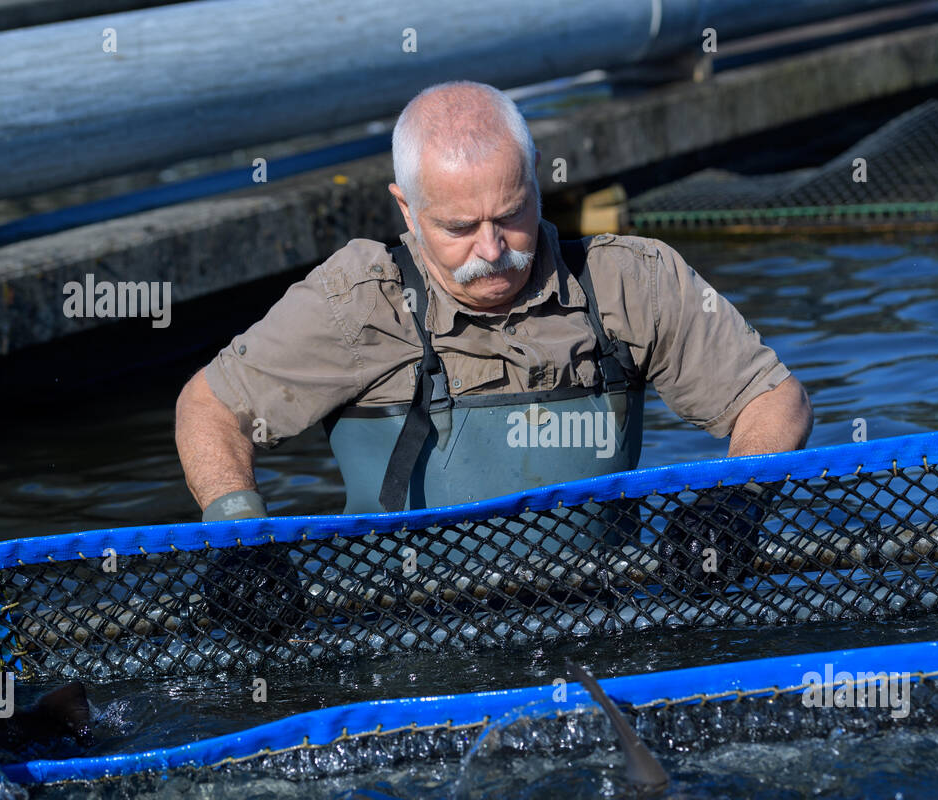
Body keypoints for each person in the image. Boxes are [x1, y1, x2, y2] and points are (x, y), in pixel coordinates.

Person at [175, 81, 812, 549]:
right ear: (405, 209)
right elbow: (209, 409)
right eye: (458, 228)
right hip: (402, 624)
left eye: (511, 214)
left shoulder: (633, 281)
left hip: (596, 610)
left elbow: (773, 400)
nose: (492, 250)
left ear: (536, 177)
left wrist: (735, 501)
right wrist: (240, 542)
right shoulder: (355, 300)